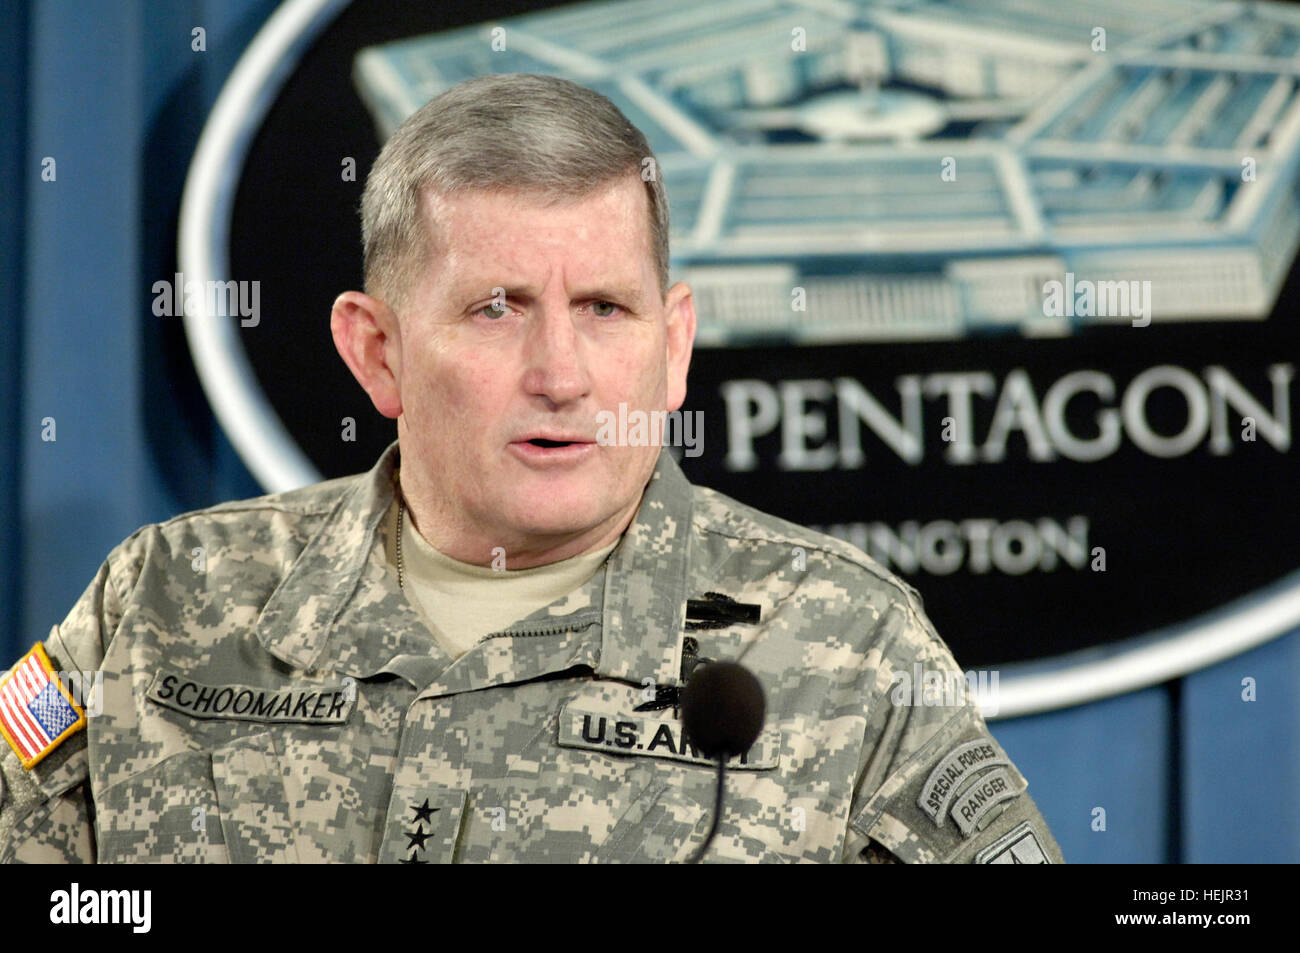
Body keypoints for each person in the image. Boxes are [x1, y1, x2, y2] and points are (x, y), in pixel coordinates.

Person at [0, 73, 1062, 864]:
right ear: (378, 351)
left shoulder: (847, 646)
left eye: (604, 308)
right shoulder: (163, 600)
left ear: (673, 342)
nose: (561, 374)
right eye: (496, 308)